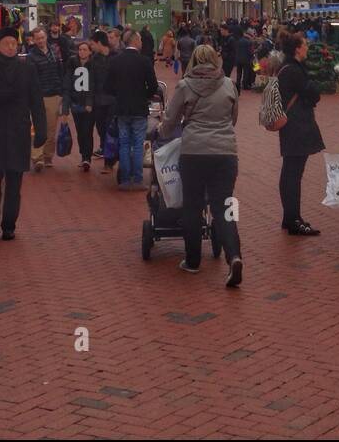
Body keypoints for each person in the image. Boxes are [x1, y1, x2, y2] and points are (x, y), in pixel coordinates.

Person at [159, 43, 243, 285]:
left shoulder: (185, 86)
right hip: (225, 153)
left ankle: (193, 261)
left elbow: (171, 119)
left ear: (194, 60)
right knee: (224, 206)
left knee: (192, 206)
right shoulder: (228, 84)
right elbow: (233, 117)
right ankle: (234, 256)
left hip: (193, 152)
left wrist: (161, 132)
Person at [0, 26, 47, 241]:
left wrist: (41, 130)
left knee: (15, 182)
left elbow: (36, 101)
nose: (11, 47)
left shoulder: (27, 69)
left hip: (18, 131)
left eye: (14, 43)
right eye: (6, 43)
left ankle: (9, 225)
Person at [276, 31, 325, 236]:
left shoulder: (285, 68)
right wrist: (313, 90)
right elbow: (312, 93)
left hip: (291, 125)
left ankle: (290, 217)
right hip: (298, 125)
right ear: (297, 48)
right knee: (293, 174)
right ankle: (294, 219)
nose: (307, 47)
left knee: (290, 171)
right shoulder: (294, 71)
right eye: (304, 44)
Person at [105, 29, 158, 190]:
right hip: (139, 108)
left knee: (124, 143)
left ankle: (125, 179)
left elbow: (107, 86)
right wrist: (145, 96)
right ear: (135, 41)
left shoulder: (115, 61)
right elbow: (153, 86)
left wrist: (119, 94)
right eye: (140, 40)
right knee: (138, 143)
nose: (141, 42)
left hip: (121, 108)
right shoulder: (144, 61)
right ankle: (137, 179)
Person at [26, 27, 65, 172]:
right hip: (39, 95)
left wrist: (61, 92)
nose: (41, 41)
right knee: (37, 128)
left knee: (51, 129)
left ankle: (48, 156)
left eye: (42, 37)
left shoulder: (54, 51)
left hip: (54, 94)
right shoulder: (31, 56)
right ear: (34, 40)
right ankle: (37, 158)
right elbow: (30, 79)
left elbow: (61, 71)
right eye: (38, 38)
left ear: (46, 37)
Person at [61, 41, 96, 172]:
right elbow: (67, 84)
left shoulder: (93, 65)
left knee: (87, 131)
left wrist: (89, 102)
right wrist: (66, 108)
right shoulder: (72, 64)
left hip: (88, 105)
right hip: (76, 104)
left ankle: (87, 157)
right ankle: (83, 155)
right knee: (80, 131)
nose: (82, 52)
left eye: (85, 50)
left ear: (90, 51)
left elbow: (92, 85)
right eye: (80, 49)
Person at [89, 30, 117, 168]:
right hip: (98, 100)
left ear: (99, 43)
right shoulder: (94, 59)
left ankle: (109, 160)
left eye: (93, 44)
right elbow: (91, 81)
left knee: (110, 128)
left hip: (113, 100)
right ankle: (108, 153)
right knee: (101, 129)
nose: (91, 47)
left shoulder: (116, 57)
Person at [234, 29, 254, 94]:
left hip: (238, 59)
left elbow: (236, 50)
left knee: (239, 73)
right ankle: (245, 85)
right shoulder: (249, 42)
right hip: (246, 60)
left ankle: (238, 84)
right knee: (246, 73)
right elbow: (250, 52)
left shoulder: (238, 41)